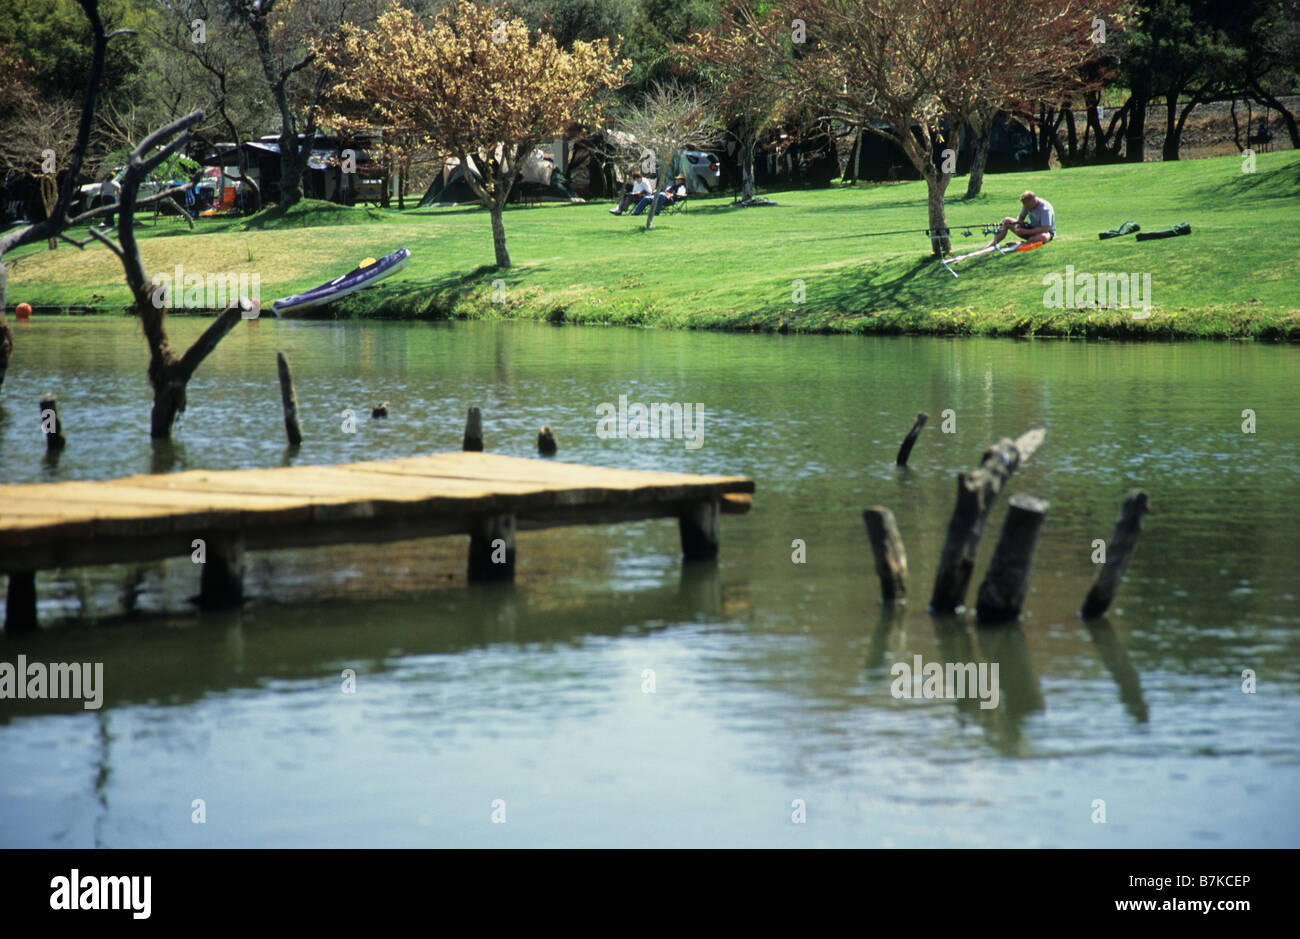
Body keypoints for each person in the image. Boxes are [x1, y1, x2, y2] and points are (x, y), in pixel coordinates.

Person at [990, 190, 1055, 247]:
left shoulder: (1045, 209)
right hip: (1032, 228)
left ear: (1034, 201)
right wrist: (1018, 226)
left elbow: (1045, 229)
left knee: (1043, 237)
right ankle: (993, 244)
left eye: (1028, 206)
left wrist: (1026, 231)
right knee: (1006, 221)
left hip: (1045, 232)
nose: (1027, 208)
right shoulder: (1027, 204)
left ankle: (1022, 244)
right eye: (1025, 206)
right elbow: (1021, 217)